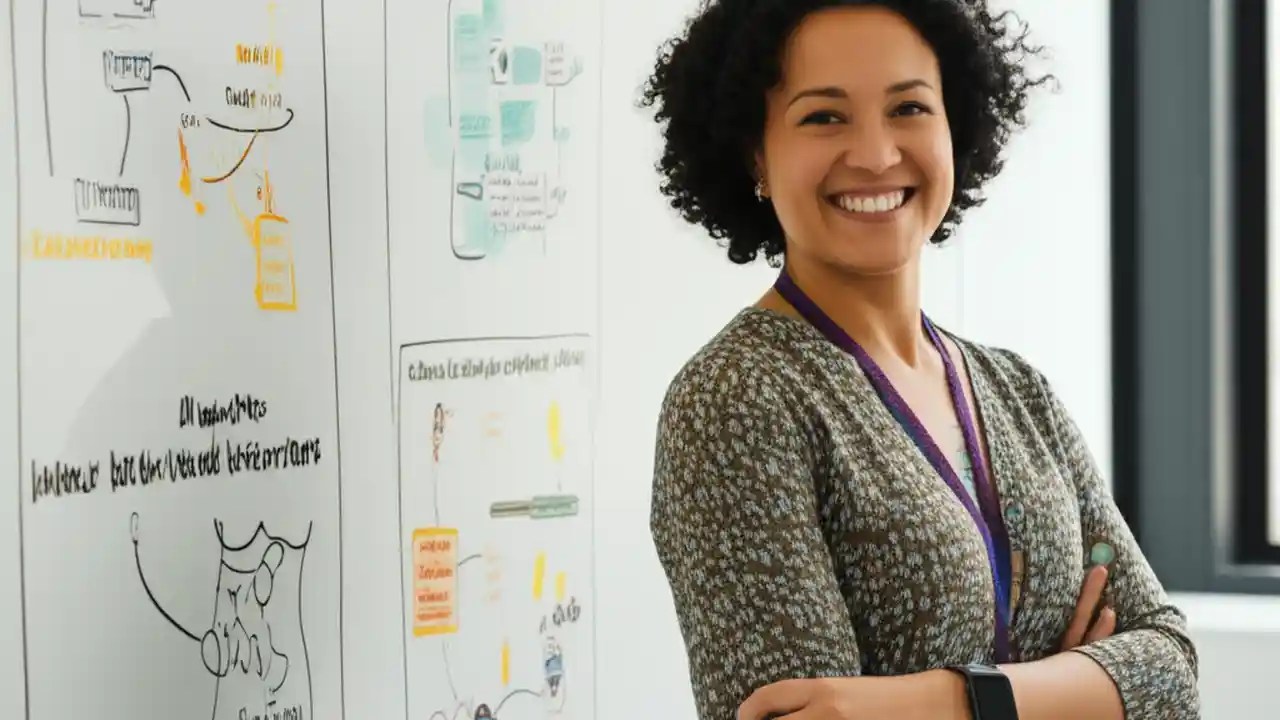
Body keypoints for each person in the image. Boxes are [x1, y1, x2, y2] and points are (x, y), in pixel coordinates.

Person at [640, 2, 1200, 719]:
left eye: (908, 108)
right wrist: (1076, 687)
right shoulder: (736, 398)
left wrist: (954, 700)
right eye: (824, 117)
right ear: (756, 153)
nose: (876, 155)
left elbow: (1171, 670)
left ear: (953, 127)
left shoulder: (1016, 389)